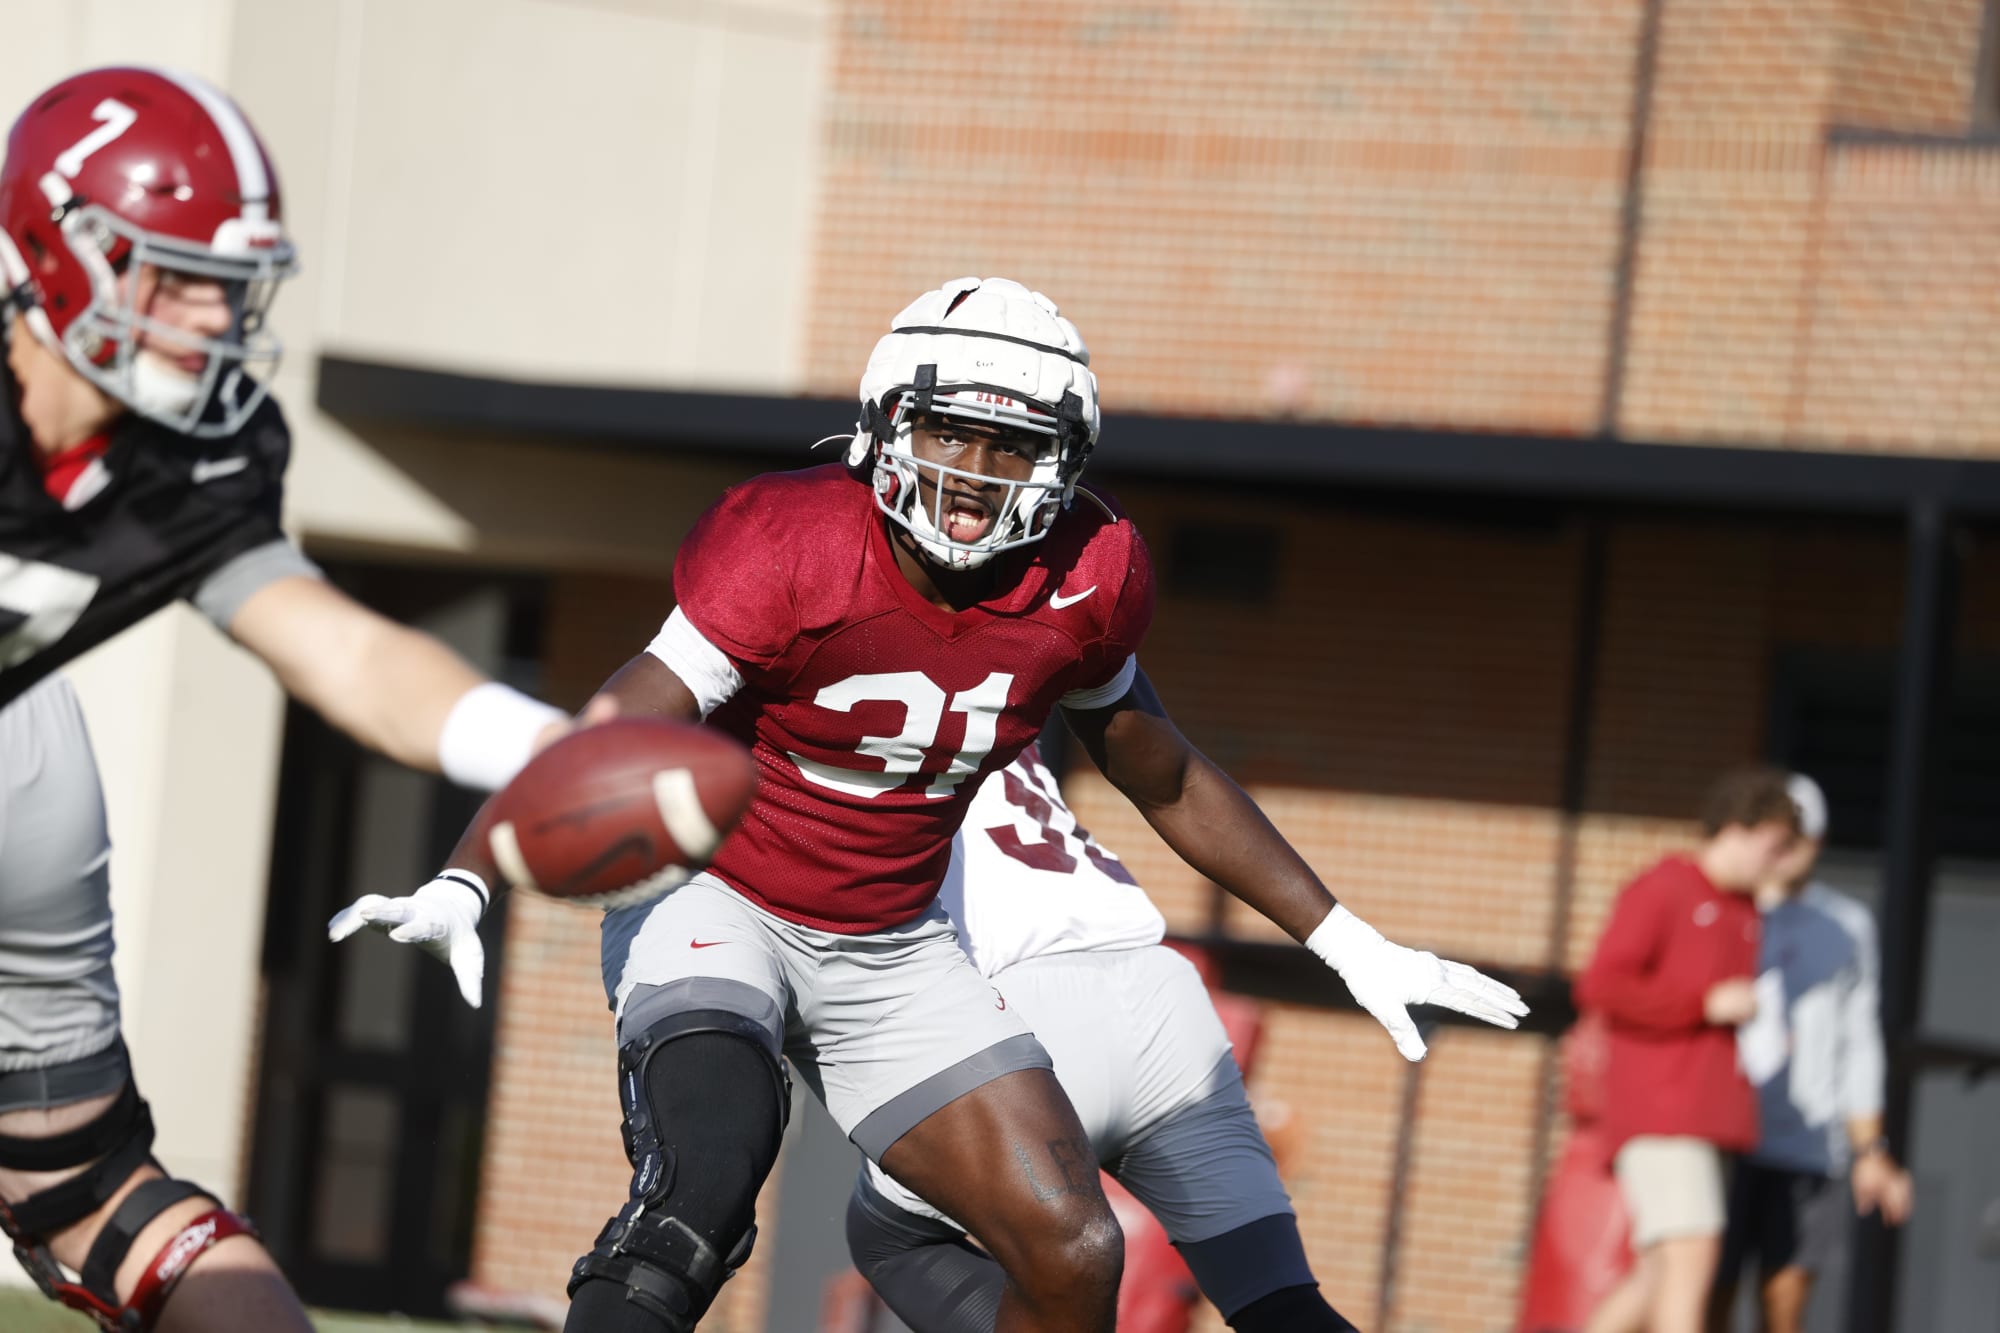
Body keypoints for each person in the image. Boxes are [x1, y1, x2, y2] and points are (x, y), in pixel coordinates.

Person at [336, 276, 1526, 1333]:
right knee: (702, 1189)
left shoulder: (1087, 573)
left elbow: (1157, 768)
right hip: (722, 896)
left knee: (1074, 1250)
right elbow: (629, 713)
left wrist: (1343, 937)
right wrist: (468, 868)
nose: (971, 474)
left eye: (1011, 448)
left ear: (1064, 460)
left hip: (890, 943)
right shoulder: (792, 536)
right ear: (883, 425)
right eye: (948, 431)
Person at [0, 67, 581, 1333]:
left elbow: (341, 651)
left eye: (229, 280)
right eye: (178, 274)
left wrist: (544, 745)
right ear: (62, 254)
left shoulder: (196, 452)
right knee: (80, 1186)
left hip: (18, 778)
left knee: (87, 1186)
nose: (213, 316)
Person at [844, 745, 1358, 1332]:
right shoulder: (995, 687)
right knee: (1279, 1298)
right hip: (1164, 994)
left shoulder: (824, 699)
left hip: (1027, 1004)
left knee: (891, 1238)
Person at [1576, 767, 1802, 1333]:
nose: (1776, 863)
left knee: (1656, 1281)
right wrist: (1703, 1004)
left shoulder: (1746, 909)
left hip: (1708, 1120)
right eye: (1773, 847)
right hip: (1662, 1115)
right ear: (1735, 829)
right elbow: (1602, 984)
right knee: (1691, 1268)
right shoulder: (1663, 888)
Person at [1708, 773, 1913, 1333]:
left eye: (1799, 839)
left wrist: (1871, 1149)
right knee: (1708, 1299)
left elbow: (1860, 1039)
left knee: (1785, 1302)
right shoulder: (1726, 910)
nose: (1786, 852)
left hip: (1809, 1149)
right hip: (1728, 1136)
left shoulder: (1847, 926)